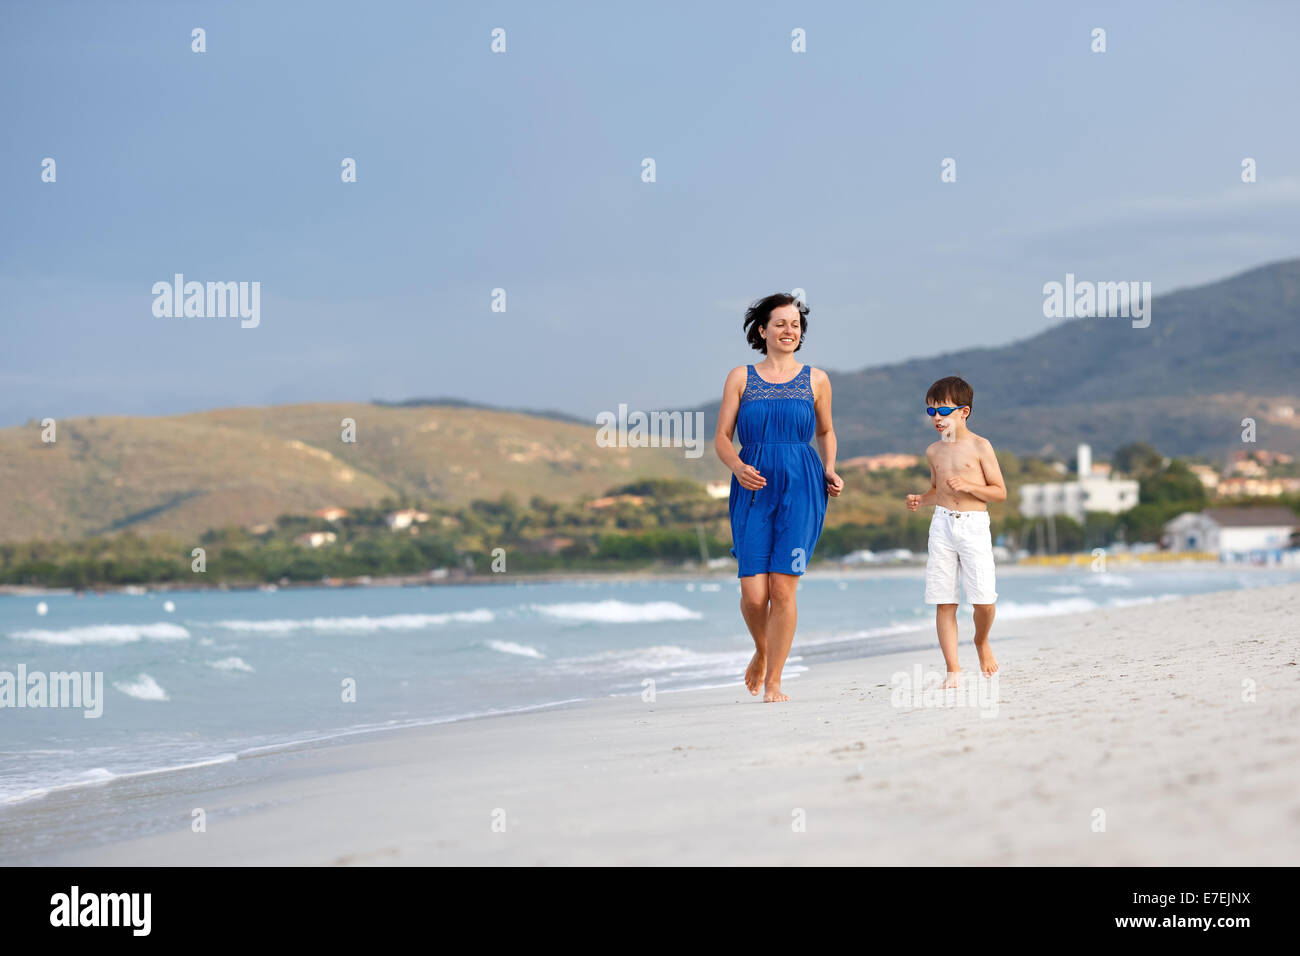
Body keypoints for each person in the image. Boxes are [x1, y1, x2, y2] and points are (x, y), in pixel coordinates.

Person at [713, 294, 843, 702]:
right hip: (751, 485)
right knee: (754, 594)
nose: (790, 331)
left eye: (796, 325)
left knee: (783, 590)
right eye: (781, 323)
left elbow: (825, 432)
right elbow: (721, 438)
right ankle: (762, 651)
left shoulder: (817, 379)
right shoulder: (740, 377)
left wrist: (830, 466)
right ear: (762, 330)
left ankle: (775, 681)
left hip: (803, 485)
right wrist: (736, 465)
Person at [906, 376, 1006, 687]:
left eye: (944, 411)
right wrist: (922, 499)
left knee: (984, 601)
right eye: (931, 411)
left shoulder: (980, 446)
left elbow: (999, 491)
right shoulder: (933, 451)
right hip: (942, 525)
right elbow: (938, 490)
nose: (937, 418)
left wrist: (969, 486)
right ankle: (953, 670)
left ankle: (981, 641)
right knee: (944, 600)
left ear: (964, 412)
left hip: (974, 525)